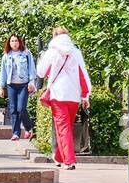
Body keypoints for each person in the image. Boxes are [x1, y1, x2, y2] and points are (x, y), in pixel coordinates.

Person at [35, 27, 90, 170]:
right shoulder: (76, 52)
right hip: (74, 96)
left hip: (58, 95)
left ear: (54, 37)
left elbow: (41, 73)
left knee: (63, 128)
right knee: (67, 128)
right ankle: (59, 156)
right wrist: (85, 95)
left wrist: (41, 59)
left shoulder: (51, 52)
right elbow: (83, 74)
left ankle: (69, 160)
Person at [0, 34, 37, 142]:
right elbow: (3, 72)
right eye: (12, 41)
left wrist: (31, 82)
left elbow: (31, 69)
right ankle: (16, 133)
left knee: (21, 108)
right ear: (9, 43)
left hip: (23, 84)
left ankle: (28, 128)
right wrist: (1, 87)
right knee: (13, 109)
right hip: (11, 85)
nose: (14, 43)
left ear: (19, 42)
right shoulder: (6, 55)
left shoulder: (26, 53)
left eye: (16, 41)